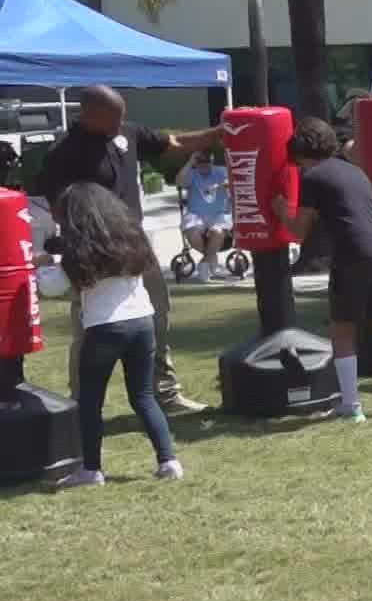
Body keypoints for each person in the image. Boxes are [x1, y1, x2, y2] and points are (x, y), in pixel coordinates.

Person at [33, 83, 222, 414]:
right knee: (89, 325)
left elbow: (173, 142)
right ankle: (80, 404)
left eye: (122, 116)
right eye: (112, 117)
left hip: (134, 243)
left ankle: (165, 393)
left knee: (156, 316)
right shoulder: (64, 151)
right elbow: (58, 207)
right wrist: (80, 245)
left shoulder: (127, 134)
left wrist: (219, 133)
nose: (120, 123)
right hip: (94, 248)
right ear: (89, 113)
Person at [277, 118, 372, 424]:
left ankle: (351, 404)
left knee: (342, 328)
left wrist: (279, 210)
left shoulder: (313, 176)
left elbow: (299, 231)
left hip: (353, 253)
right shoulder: (354, 171)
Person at [42, 183, 181, 487]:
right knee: (144, 396)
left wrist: (44, 266)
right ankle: (168, 460)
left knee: (90, 402)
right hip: (142, 322)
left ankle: (91, 470)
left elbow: (51, 287)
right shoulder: (132, 240)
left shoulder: (79, 251)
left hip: (104, 327)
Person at [175, 149, 232, 281]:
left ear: (211, 162)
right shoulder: (191, 173)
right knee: (192, 233)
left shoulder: (221, 171)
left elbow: (232, 182)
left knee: (217, 232)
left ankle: (204, 264)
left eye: (207, 162)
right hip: (195, 214)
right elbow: (179, 182)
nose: (204, 165)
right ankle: (213, 262)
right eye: (200, 162)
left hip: (218, 214)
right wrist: (189, 162)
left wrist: (222, 185)